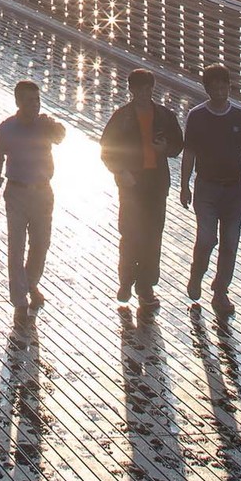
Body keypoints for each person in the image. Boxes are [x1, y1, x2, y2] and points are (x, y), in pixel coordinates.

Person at [178, 65, 241, 314]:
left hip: (234, 189)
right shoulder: (197, 116)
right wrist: (183, 186)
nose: (219, 91)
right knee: (206, 238)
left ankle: (221, 291)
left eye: (223, 86)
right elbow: (189, 153)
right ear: (207, 89)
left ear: (229, 87)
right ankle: (197, 274)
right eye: (214, 87)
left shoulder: (240, 116)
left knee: (230, 243)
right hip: (206, 188)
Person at [99, 69, 185, 310]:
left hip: (156, 184)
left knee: (153, 236)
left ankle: (146, 286)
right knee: (130, 233)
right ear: (132, 90)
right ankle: (126, 281)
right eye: (140, 89)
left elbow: (178, 144)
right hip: (131, 184)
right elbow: (107, 148)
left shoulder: (165, 116)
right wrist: (120, 171)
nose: (144, 94)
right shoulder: (122, 117)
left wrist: (165, 148)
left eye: (148, 89)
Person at [0, 79, 66, 312]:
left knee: (41, 244)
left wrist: (52, 125)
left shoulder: (44, 125)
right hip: (17, 191)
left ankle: (31, 282)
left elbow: (61, 136)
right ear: (18, 101)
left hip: (43, 192)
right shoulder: (6, 128)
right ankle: (19, 299)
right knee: (16, 246)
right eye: (30, 101)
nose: (35, 105)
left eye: (37, 100)